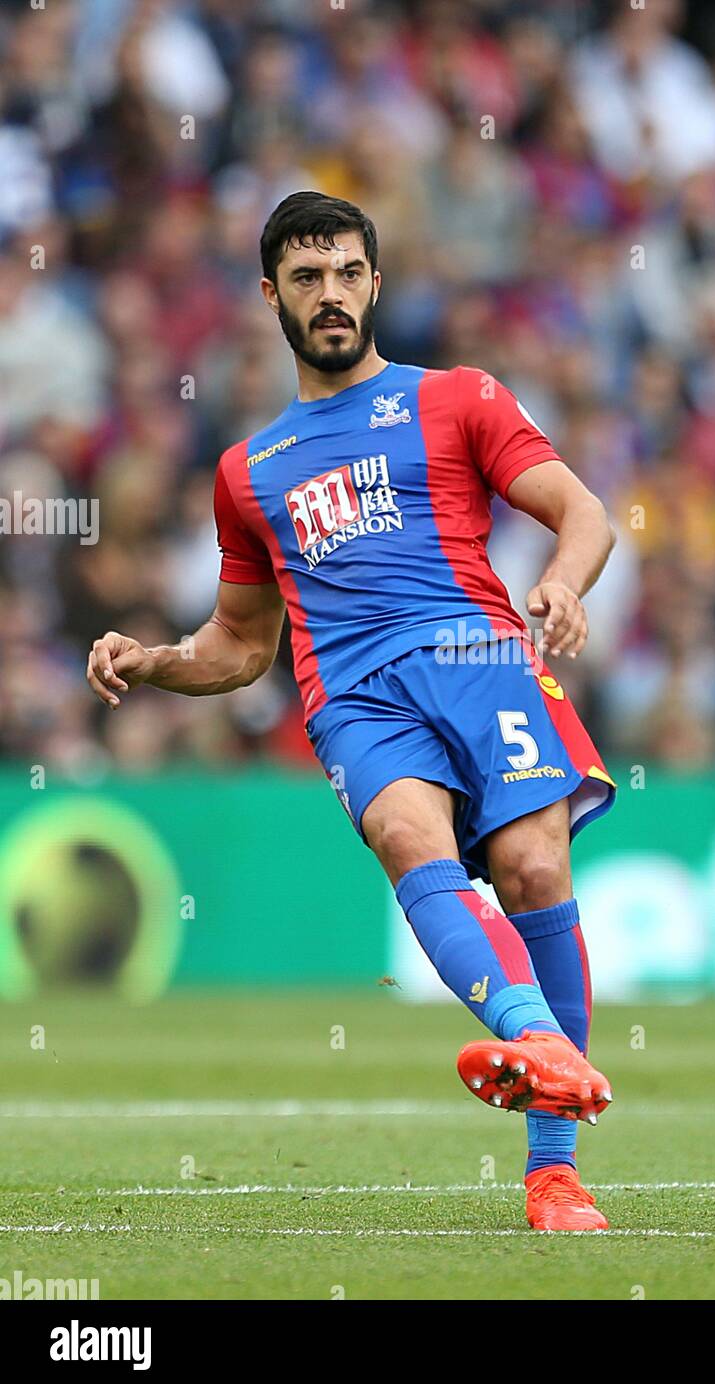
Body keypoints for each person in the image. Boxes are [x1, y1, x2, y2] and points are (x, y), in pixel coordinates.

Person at [85, 191, 617, 1231]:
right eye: (304, 278)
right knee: (403, 832)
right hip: (356, 698)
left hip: (479, 659)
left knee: (533, 871)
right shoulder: (249, 472)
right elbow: (239, 646)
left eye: (344, 273)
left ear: (372, 281)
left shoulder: (457, 396)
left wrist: (562, 581)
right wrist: (153, 660)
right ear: (272, 297)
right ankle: (535, 1036)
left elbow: (581, 510)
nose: (328, 295)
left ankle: (551, 1172)